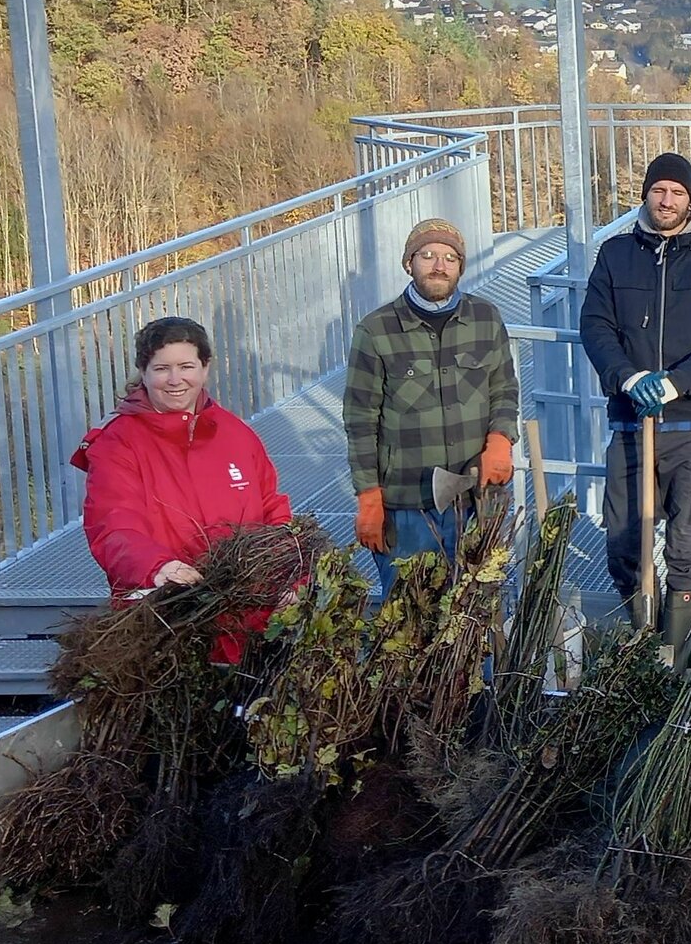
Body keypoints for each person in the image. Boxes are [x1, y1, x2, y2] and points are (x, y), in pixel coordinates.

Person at [579, 152, 691, 651]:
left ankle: (673, 650)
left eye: (677, 192)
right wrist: (629, 379)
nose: (667, 200)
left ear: (690, 199)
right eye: (659, 191)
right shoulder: (615, 255)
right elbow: (595, 325)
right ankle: (640, 637)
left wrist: (677, 381)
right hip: (632, 423)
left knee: (690, 541)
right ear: (646, 195)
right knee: (623, 537)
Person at [73, 316, 291, 663]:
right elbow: (113, 527)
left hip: (251, 621)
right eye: (162, 369)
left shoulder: (236, 434)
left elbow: (274, 512)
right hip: (168, 622)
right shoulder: (118, 444)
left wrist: (290, 578)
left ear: (205, 368)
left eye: (186, 366)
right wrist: (159, 568)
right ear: (143, 372)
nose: (175, 380)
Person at [344, 217, 519, 596]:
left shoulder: (485, 319)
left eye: (450, 257)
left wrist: (501, 438)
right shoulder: (376, 331)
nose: (439, 265)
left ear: (460, 266)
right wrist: (368, 496)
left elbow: (504, 388)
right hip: (407, 508)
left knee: (478, 619)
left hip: (478, 500)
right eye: (427, 255)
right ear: (409, 263)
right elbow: (360, 420)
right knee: (409, 623)